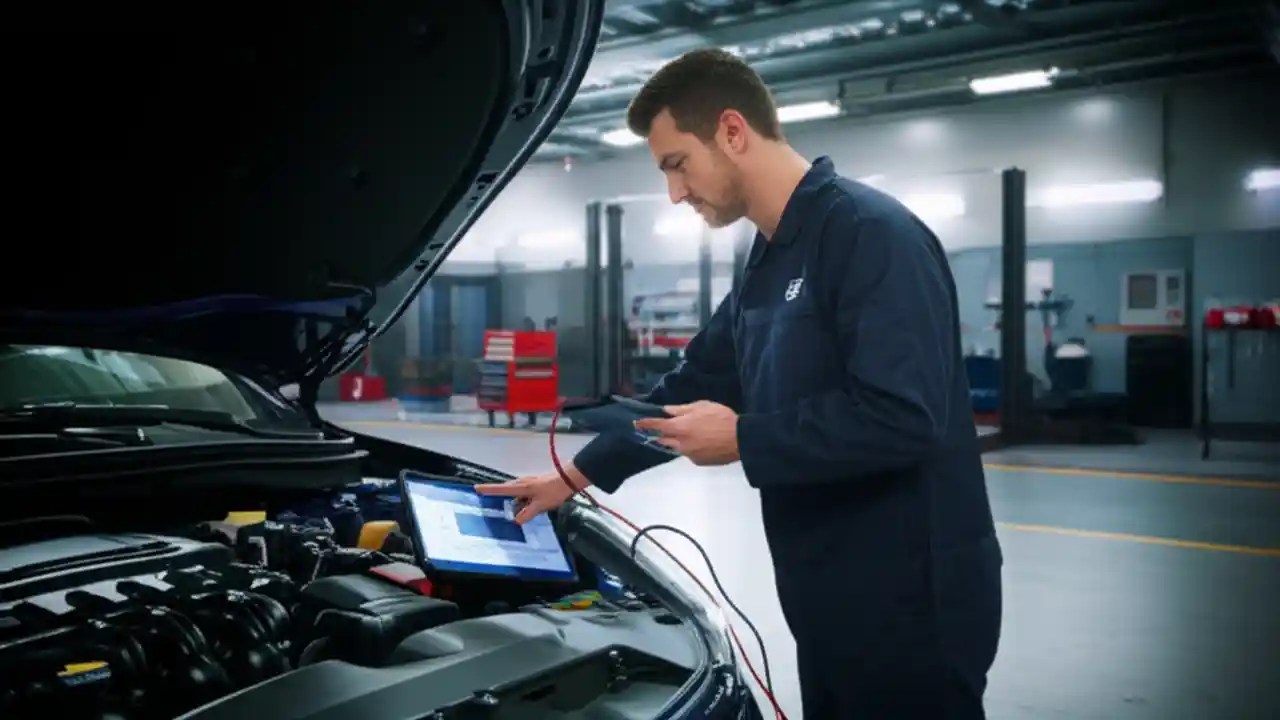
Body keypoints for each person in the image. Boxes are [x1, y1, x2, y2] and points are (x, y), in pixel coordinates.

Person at [477, 47, 1002, 719]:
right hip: (827, 591)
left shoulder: (871, 234)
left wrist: (745, 438)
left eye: (677, 164)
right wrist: (573, 477)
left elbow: (905, 417)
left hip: (911, 597)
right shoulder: (767, 255)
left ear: (731, 131)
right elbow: (695, 381)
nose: (674, 192)